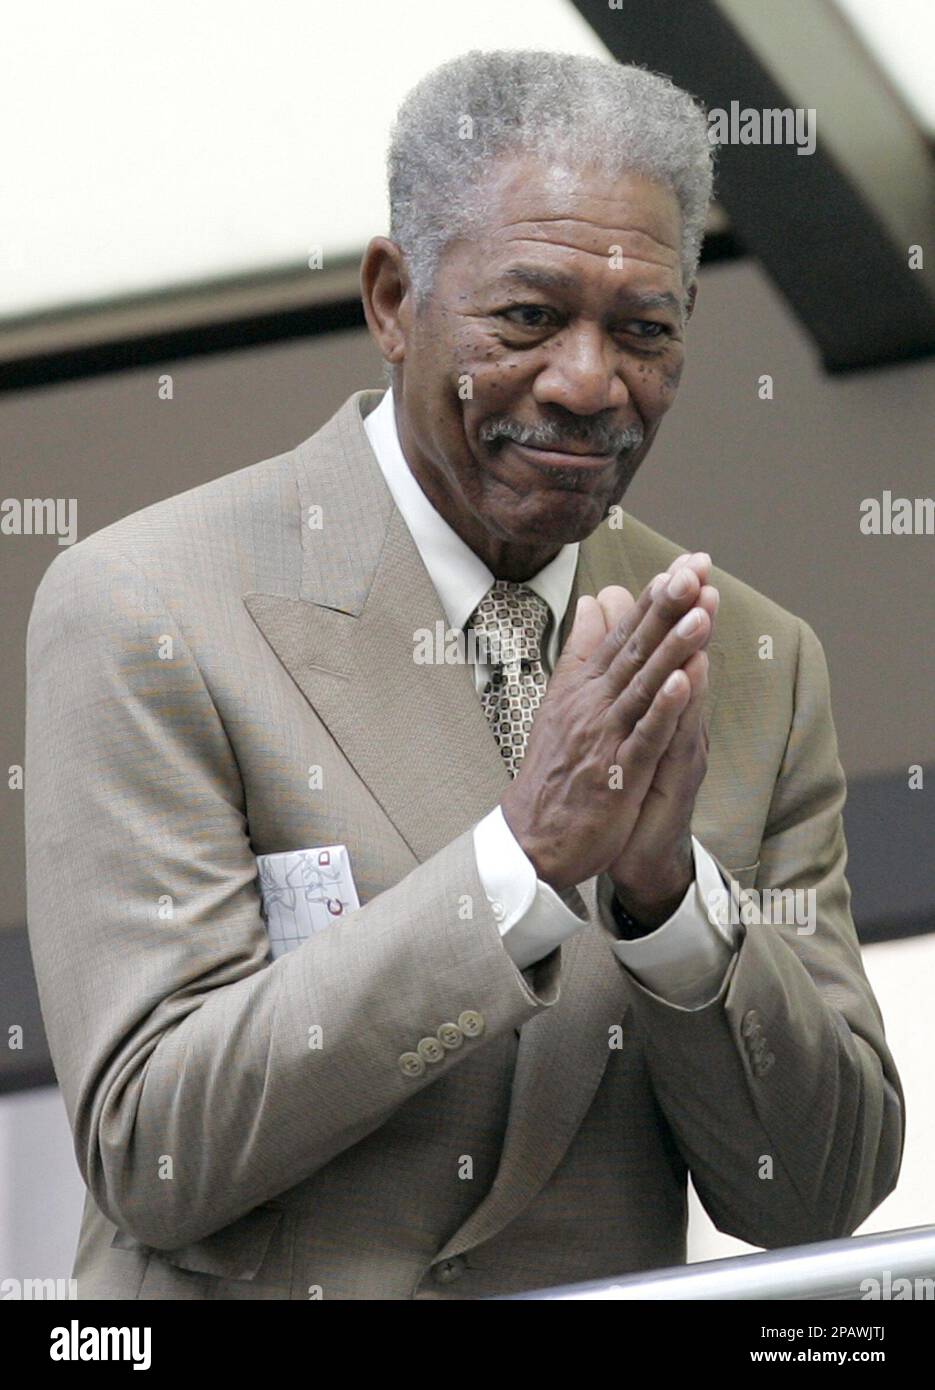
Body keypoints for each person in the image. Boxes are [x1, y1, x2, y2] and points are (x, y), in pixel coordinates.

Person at [24, 50, 903, 1301]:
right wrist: (521, 867)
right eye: (529, 317)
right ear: (392, 298)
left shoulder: (751, 663)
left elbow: (815, 1190)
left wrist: (666, 905)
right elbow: (152, 1145)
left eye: (642, 330)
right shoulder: (148, 605)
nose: (589, 382)